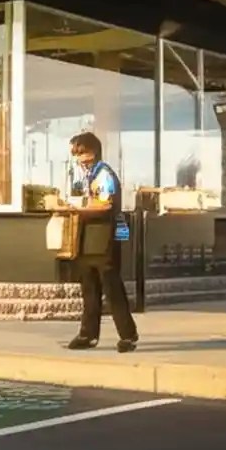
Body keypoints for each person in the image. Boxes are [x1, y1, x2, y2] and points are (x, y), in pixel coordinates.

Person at [66, 131, 139, 353]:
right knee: (89, 286)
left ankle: (128, 335)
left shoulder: (104, 174)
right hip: (88, 235)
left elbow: (105, 205)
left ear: (92, 152)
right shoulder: (84, 174)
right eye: (75, 154)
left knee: (111, 286)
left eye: (81, 153)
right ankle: (88, 334)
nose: (78, 159)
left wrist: (79, 207)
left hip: (106, 234)